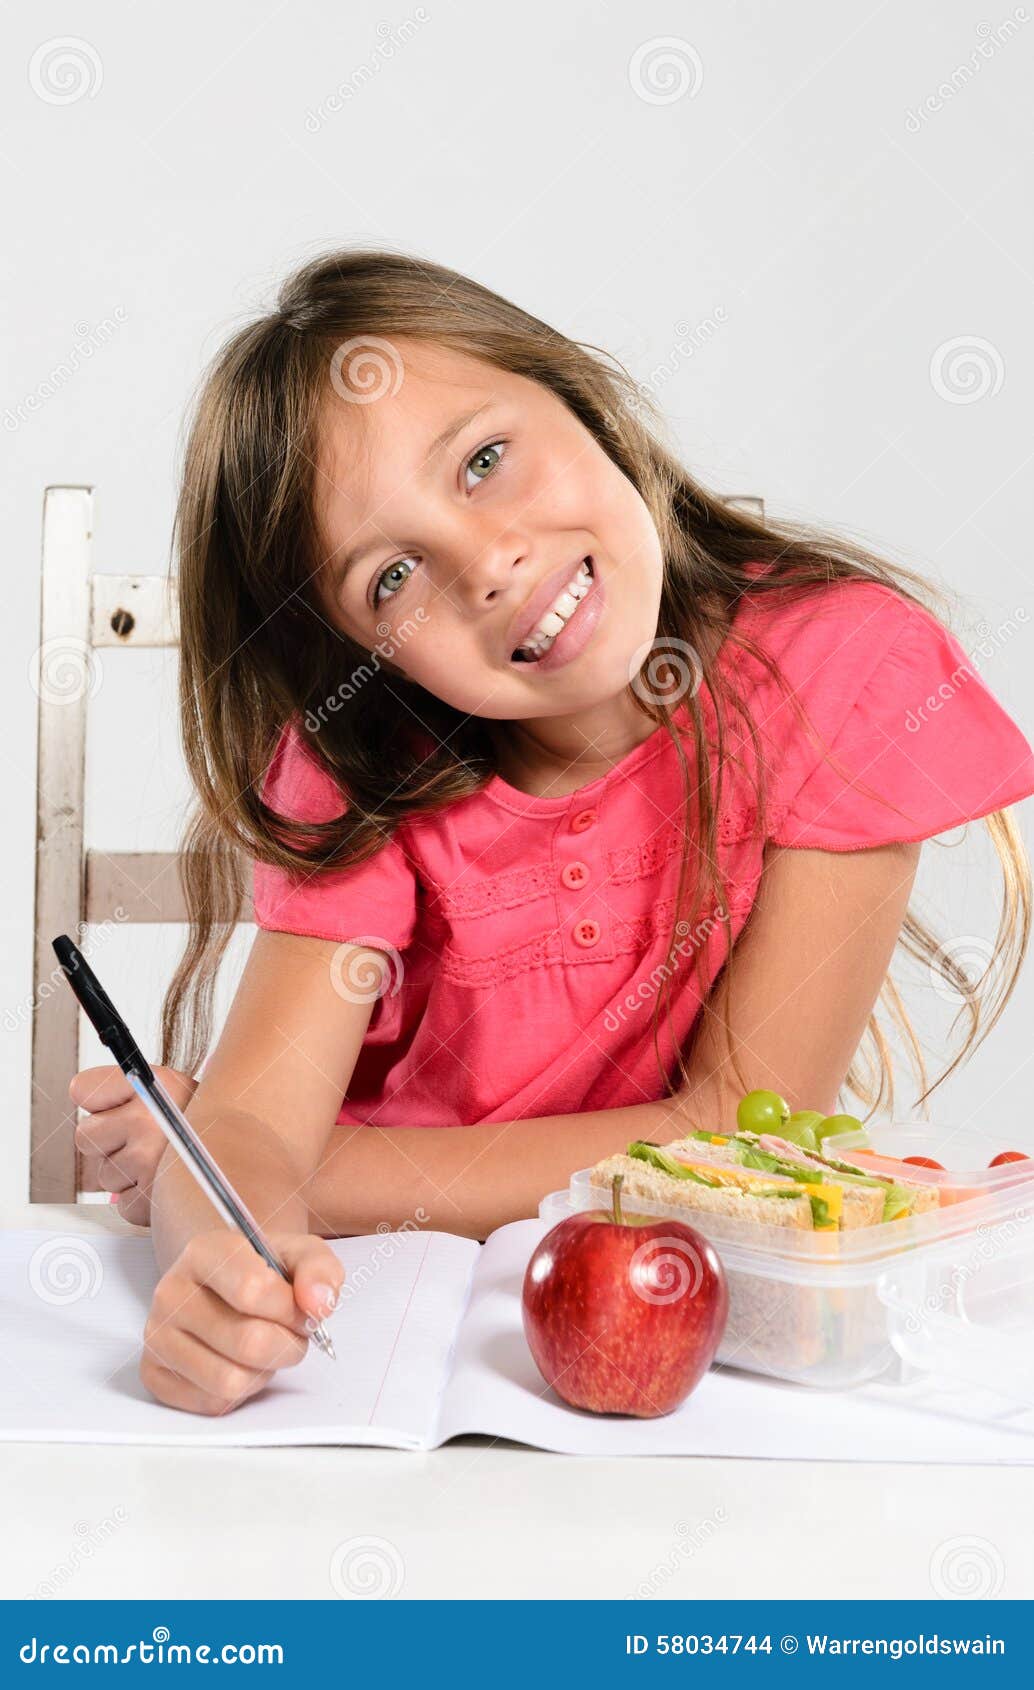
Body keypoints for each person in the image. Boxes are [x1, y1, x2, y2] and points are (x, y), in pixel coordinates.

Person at [71, 249, 1034, 1415]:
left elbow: (731, 1127)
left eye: (483, 460)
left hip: (675, 1336)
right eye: (390, 580)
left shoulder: (843, 672)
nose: (488, 565)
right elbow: (248, 1142)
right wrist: (222, 1244)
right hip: (377, 1311)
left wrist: (249, 1160)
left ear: (576, 396)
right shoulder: (365, 759)